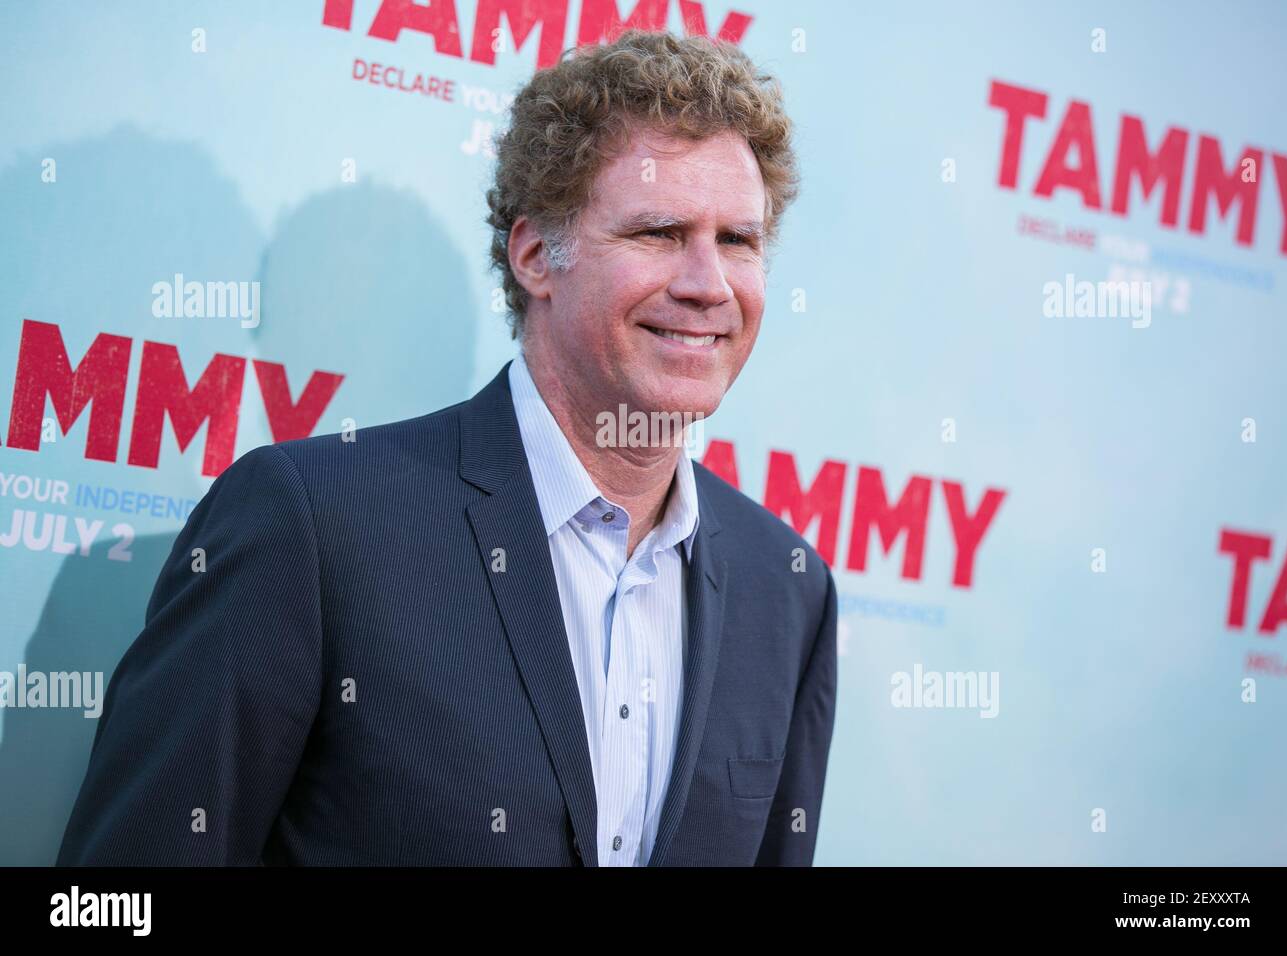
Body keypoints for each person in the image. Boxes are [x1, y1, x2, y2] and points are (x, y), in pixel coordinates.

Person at [57, 29, 837, 867]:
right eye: (657, 232)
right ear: (537, 256)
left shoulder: (786, 589)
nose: (707, 283)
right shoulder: (312, 527)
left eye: (738, 241)